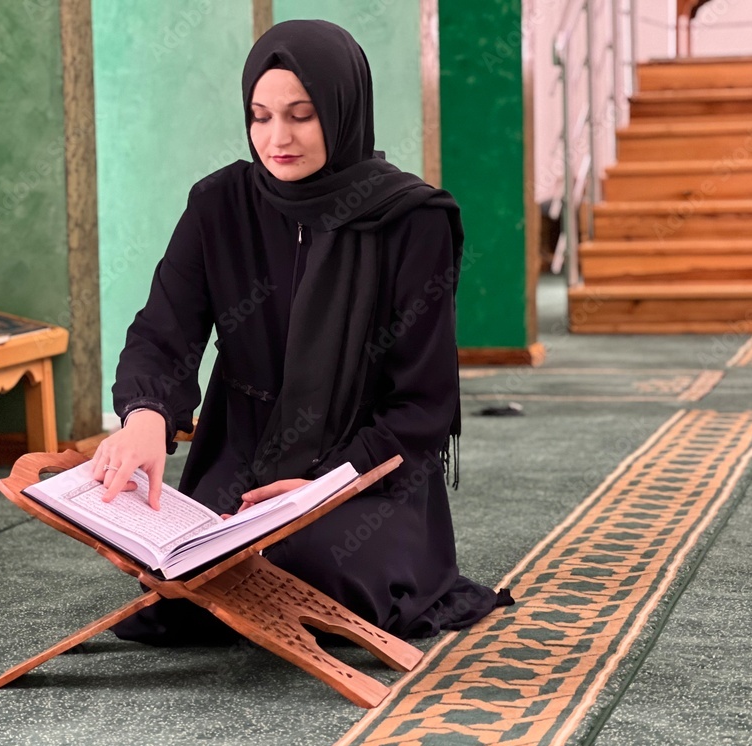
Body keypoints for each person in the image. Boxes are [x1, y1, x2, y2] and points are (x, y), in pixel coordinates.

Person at [90, 19, 512, 644]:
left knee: (310, 563)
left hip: (363, 469)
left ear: (342, 111)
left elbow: (423, 402)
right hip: (242, 454)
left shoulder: (411, 221)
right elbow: (162, 333)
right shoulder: (219, 205)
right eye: (260, 116)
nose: (276, 138)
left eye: (301, 115)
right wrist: (147, 415)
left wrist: (328, 482)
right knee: (189, 567)